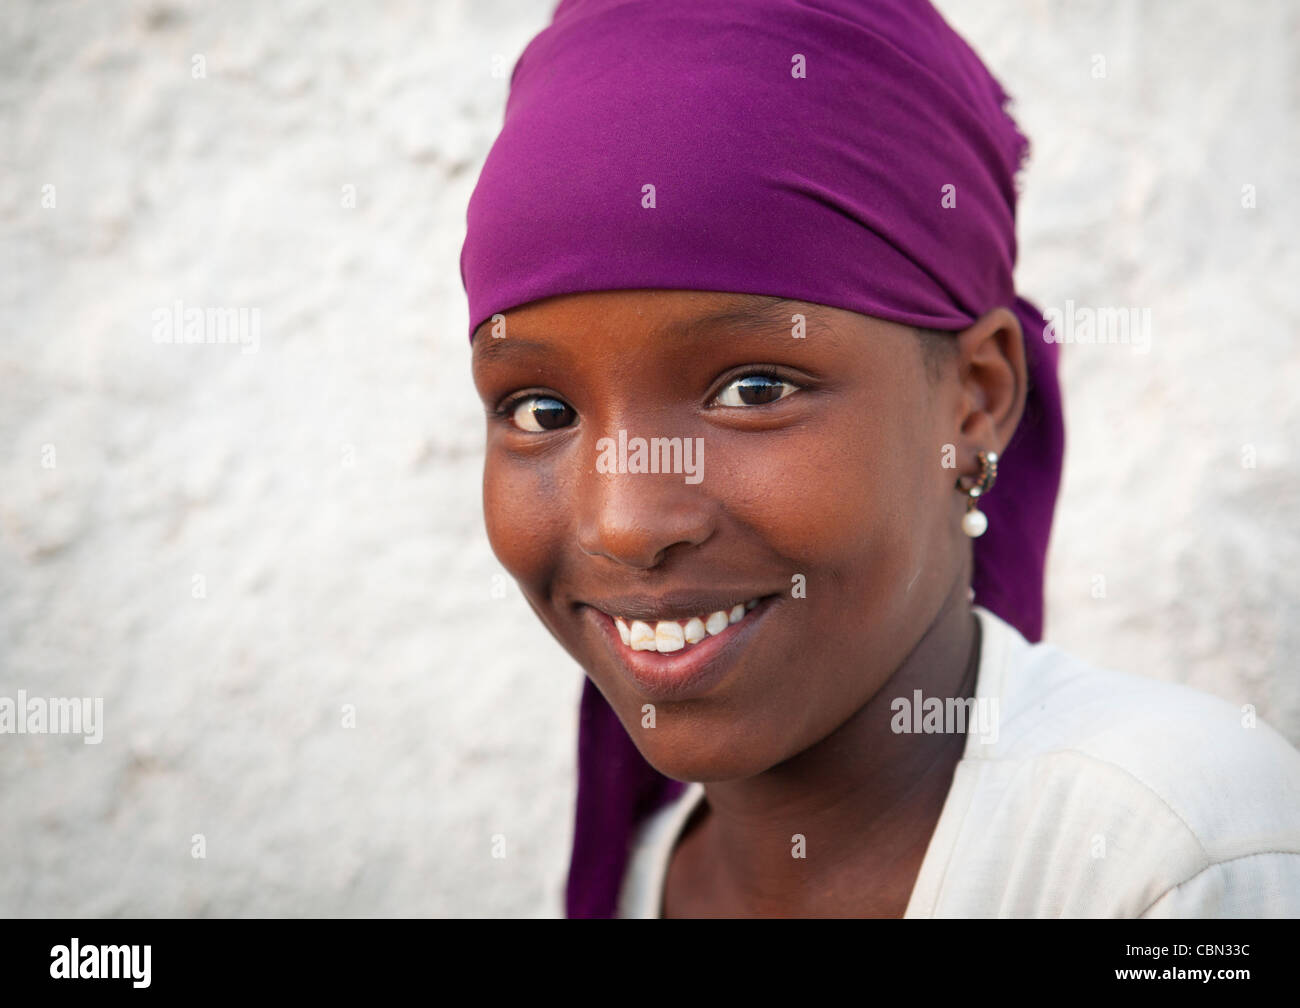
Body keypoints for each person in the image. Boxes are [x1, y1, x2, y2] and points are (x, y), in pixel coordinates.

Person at [459, 0, 1300, 917]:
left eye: (754, 390)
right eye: (541, 409)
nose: (623, 522)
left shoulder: (1185, 862)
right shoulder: (632, 875)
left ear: (975, 399)